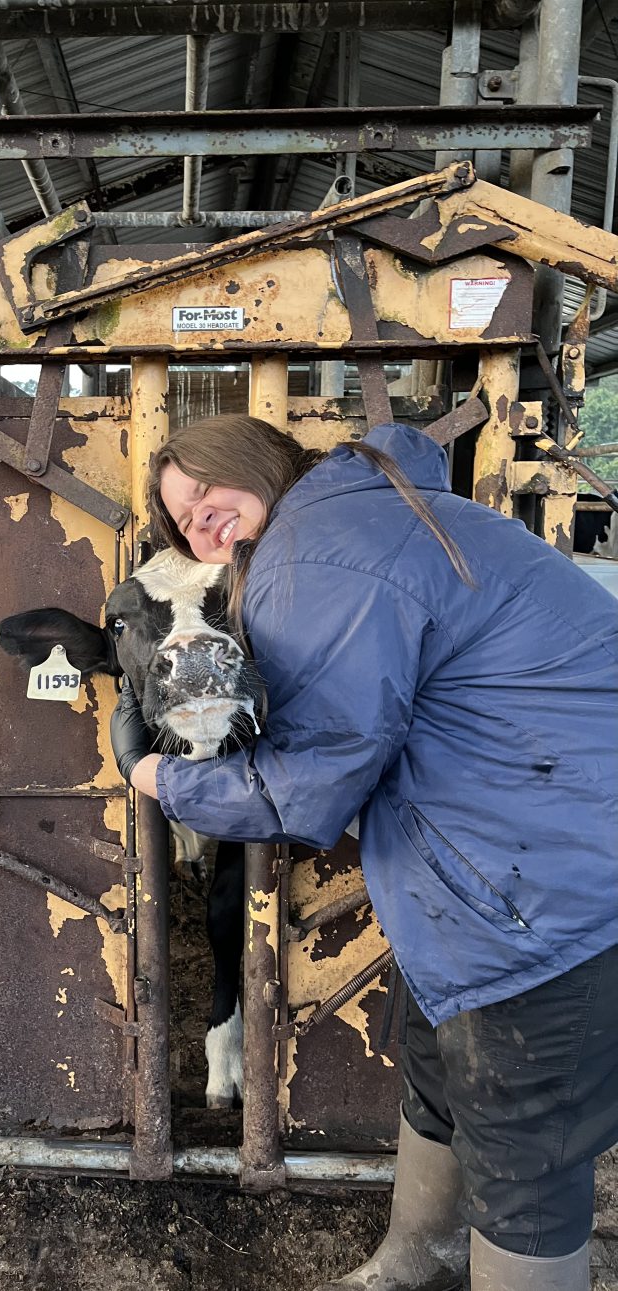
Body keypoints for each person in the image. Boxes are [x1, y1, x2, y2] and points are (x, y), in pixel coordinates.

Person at [111, 414, 618, 1291]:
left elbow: (303, 784)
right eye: (181, 519)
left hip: (551, 887)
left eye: (204, 493)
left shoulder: (322, 552)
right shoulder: (364, 509)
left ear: (259, 462)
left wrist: (155, 775)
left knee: (520, 1146)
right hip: (498, 863)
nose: (199, 521)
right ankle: (418, 1255)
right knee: (442, 1067)